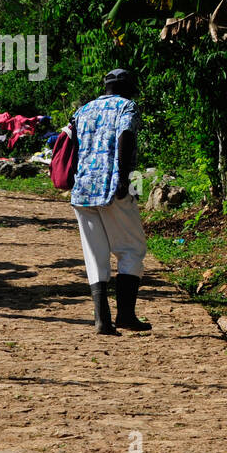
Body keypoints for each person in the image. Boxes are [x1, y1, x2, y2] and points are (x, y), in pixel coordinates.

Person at [69, 68, 151, 335]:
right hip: (112, 186)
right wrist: (124, 178)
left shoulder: (83, 110)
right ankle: (125, 314)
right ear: (127, 87)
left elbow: (72, 145)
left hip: (82, 189)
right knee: (131, 249)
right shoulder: (126, 106)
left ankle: (102, 319)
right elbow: (126, 134)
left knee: (95, 254)